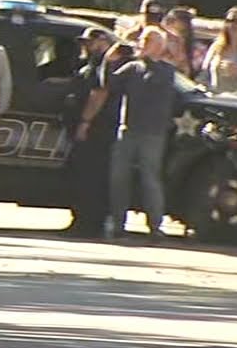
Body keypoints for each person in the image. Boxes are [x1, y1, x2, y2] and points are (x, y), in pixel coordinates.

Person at [79, 28, 179, 241]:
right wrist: (109, 61)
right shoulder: (132, 68)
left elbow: (151, 82)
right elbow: (108, 85)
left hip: (152, 133)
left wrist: (146, 60)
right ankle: (118, 223)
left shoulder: (166, 71)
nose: (140, 44)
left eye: (145, 41)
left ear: (156, 45)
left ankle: (155, 225)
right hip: (128, 130)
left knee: (149, 179)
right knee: (118, 178)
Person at [63, 26, 122, 237]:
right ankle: (80, 221)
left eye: (90, 42)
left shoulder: (105, 65)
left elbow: (99, 94)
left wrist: (85, 122)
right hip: (87, 130)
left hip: (97, 131)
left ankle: (90, 224)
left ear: (102, 42)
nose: (86, 46)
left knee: (92, 178)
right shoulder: (90, 65)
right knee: (80, 176)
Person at [161, 7, 196, 76]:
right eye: (183, 20)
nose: (186, 24)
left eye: (187, 21)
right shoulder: (160, 37)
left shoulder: (187, 40)